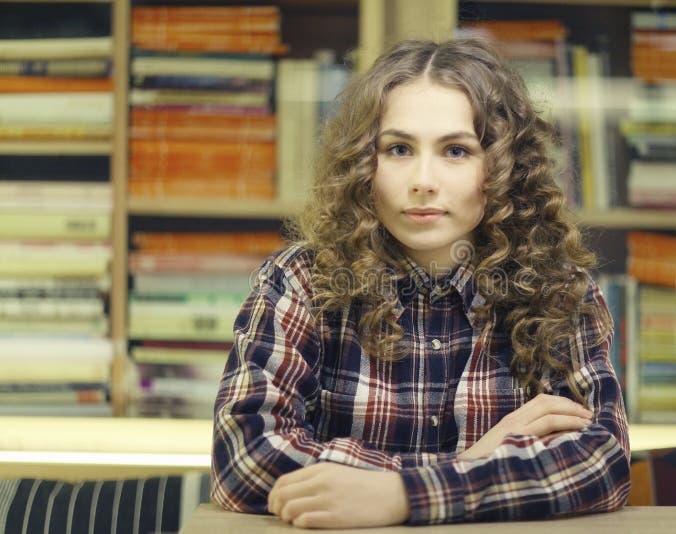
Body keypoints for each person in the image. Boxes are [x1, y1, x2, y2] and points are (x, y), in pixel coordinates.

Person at [211, 38, 630, 529]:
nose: (422, 180)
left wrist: (400, 495)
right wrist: (469, 465)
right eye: (398, 149)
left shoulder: (560, 289)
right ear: (364, 166)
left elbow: (603, 463)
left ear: (503, 166)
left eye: (456, 150)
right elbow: (244, 459)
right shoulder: (300, 280)